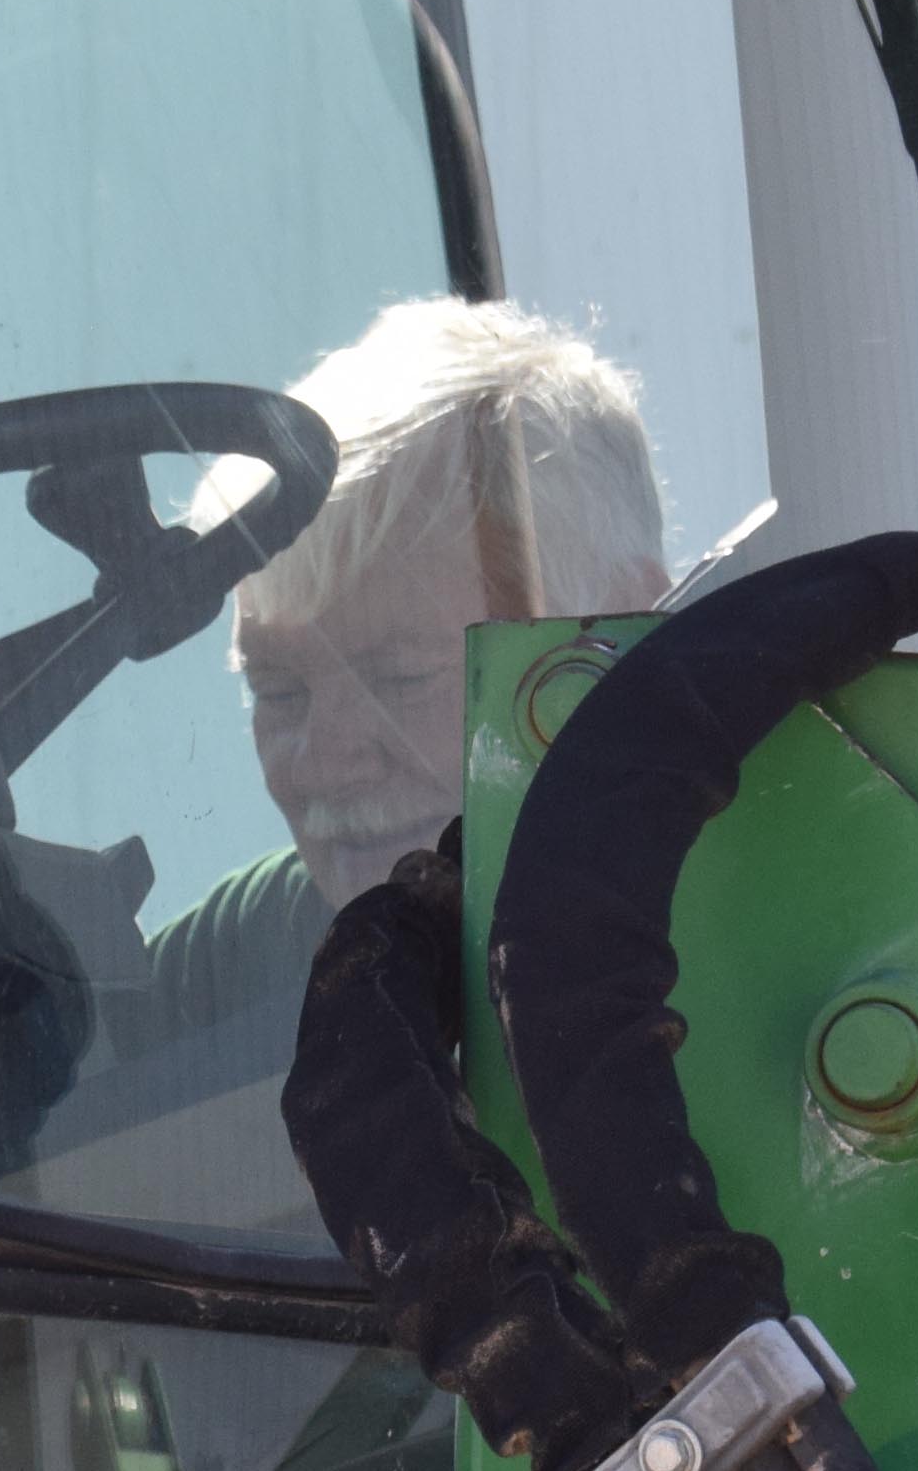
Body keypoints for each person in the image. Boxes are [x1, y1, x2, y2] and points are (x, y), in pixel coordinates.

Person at [127, 296, 673, 1045]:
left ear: (626, 633)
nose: (325, 762)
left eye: (403, 679)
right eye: (278, 691)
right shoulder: (251, 957)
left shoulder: (773, 928)